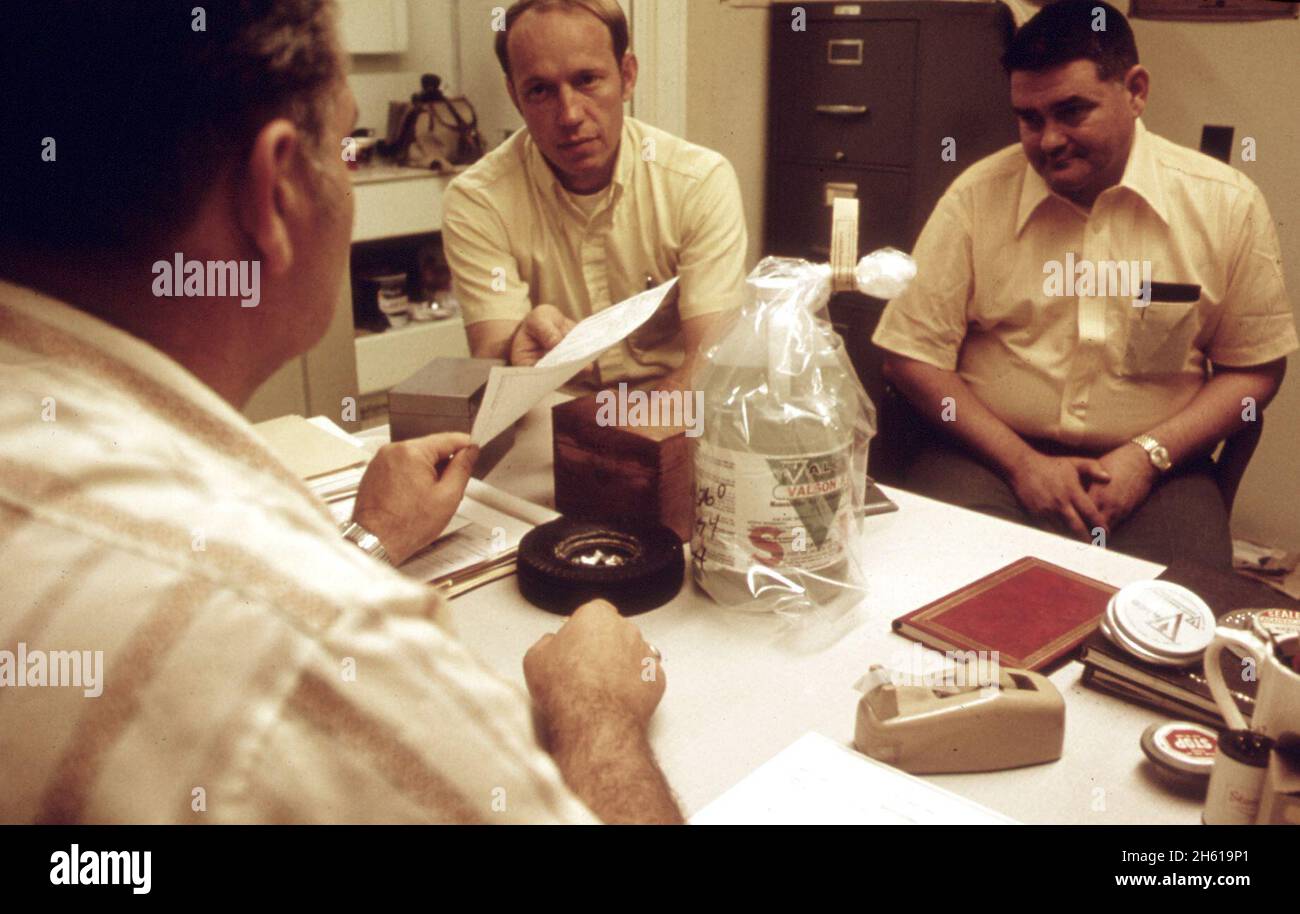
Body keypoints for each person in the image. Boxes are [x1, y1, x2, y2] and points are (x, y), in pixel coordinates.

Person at [0, 0, 679, 825]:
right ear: (276, 188)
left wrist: (364, 543)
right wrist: (596, 711)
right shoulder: (307, 644)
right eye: (348, 146)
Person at [872, 0, 1295, 570]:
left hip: (1158, 466)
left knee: (1176, 619)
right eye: (1029, 118)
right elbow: (909, 357)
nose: (1048, 140)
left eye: (1072, 111)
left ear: (1136, 91)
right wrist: (1023, 464)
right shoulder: (976, 197)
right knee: (945, 594)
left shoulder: (1225, 203)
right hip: (990, 456)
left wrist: (1146, 457)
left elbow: (1255, 368)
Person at [441, 0, 748, 390]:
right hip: (549, 414)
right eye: (539, 90)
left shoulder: (699, 182)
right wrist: (516, 347)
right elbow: (494, 364)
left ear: (627, 76)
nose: (569, 115)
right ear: (515, 97)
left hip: (674, 413)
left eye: (586, 80)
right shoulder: (477, 200)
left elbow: (709, 367)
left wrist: (624, 427)